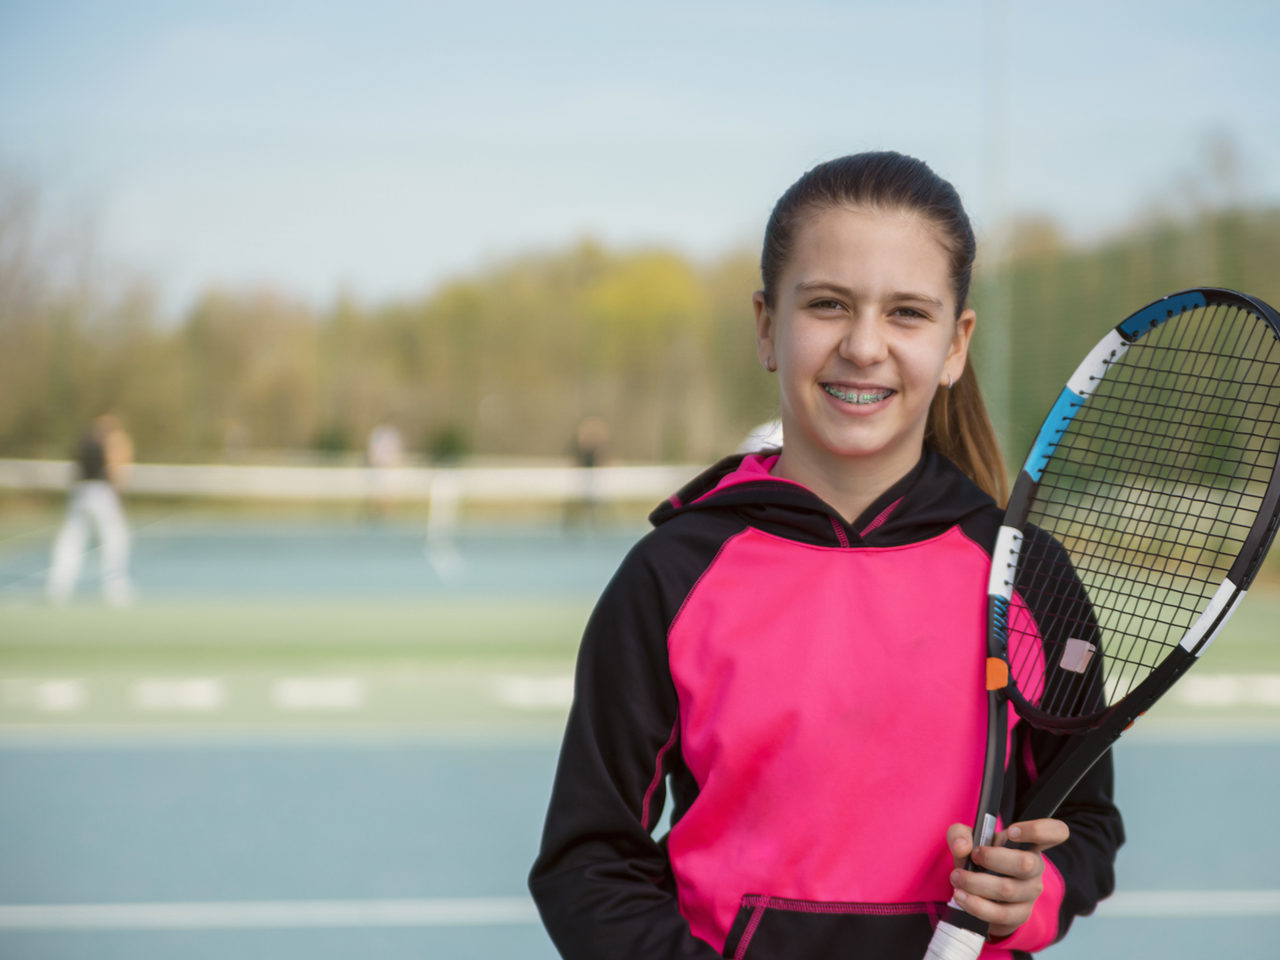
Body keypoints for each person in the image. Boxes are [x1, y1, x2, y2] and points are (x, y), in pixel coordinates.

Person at [529, 153, 1123, 959]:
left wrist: (1033, 895)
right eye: (829, 304)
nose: (865, 346)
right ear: (769, 326)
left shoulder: (1027, 580)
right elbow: (588, 861)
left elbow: (1084, 823)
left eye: (908, 313)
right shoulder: (669, 577)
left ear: (957, 343)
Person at [46, 414, 135, 606]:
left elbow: (75, 472)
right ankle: (115, 587)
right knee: (114, 537)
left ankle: (59, 587)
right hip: (100, 493)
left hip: (81, 493)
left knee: (72, 538)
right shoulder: (107, 444)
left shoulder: (84, 443)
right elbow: (114, 470)